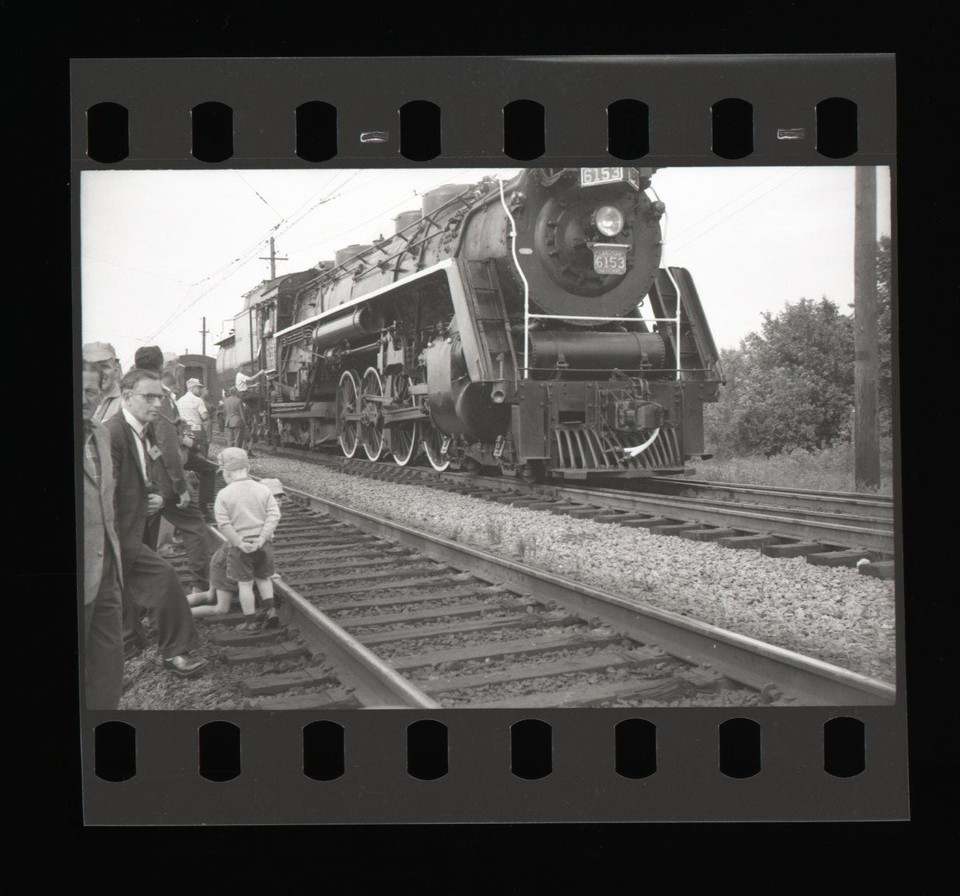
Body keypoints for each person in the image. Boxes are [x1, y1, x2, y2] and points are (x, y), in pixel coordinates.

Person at [103, 368, 207, 677]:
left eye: (159, 397)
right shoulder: (114, 433)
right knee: (163, 578)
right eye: (149, 397)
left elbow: (148, 468)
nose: (157, 403)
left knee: (128, 588)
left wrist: (160, 496)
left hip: (140, 522)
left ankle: (130, 639)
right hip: (120, 531)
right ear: (127, 397)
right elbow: (107, 492)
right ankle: (176, 653)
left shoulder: (143, 429)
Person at [134, 346, 212, 587]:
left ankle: (143, 592)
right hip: (162, 480)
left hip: (145, 475)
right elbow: (166, 444)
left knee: (145, 534)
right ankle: (202, 583)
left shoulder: (135, 394)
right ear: (164, 369)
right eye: (176, 368)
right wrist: (180, 484)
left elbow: (150, 441)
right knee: (195, 526)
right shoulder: (161, 398)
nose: (178, 374)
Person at [81, 360, 124, 709]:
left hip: (106, 568)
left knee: (108, 668)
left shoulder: (101, 433)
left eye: (90, 391)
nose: (83, 398)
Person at [214, 448, 281, 631]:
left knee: (245, 584)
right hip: (263, 544)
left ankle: (250, 621)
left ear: (227, 472)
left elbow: (223, 524)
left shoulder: (224, 494)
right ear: (248, 467)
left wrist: (239, 542)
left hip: (240, 548)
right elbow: (274, 515)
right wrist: (262, 538)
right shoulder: (263, 490)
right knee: (264, 578)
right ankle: (270, 611)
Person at [176, 377, 217, 517]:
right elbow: (205, 416)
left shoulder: (179, 401)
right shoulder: (198, 400)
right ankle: (204, 505)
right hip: (196, 431)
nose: (200, 390)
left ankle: (191, 476)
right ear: (192, 388)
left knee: (188, 458)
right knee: (202, 459)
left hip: (185, 431)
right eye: (198, 387)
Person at [83, 342, 124, 423]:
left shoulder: (126, 401)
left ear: (116, 369)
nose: (100, 373)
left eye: (104, 366)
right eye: (93, 367)